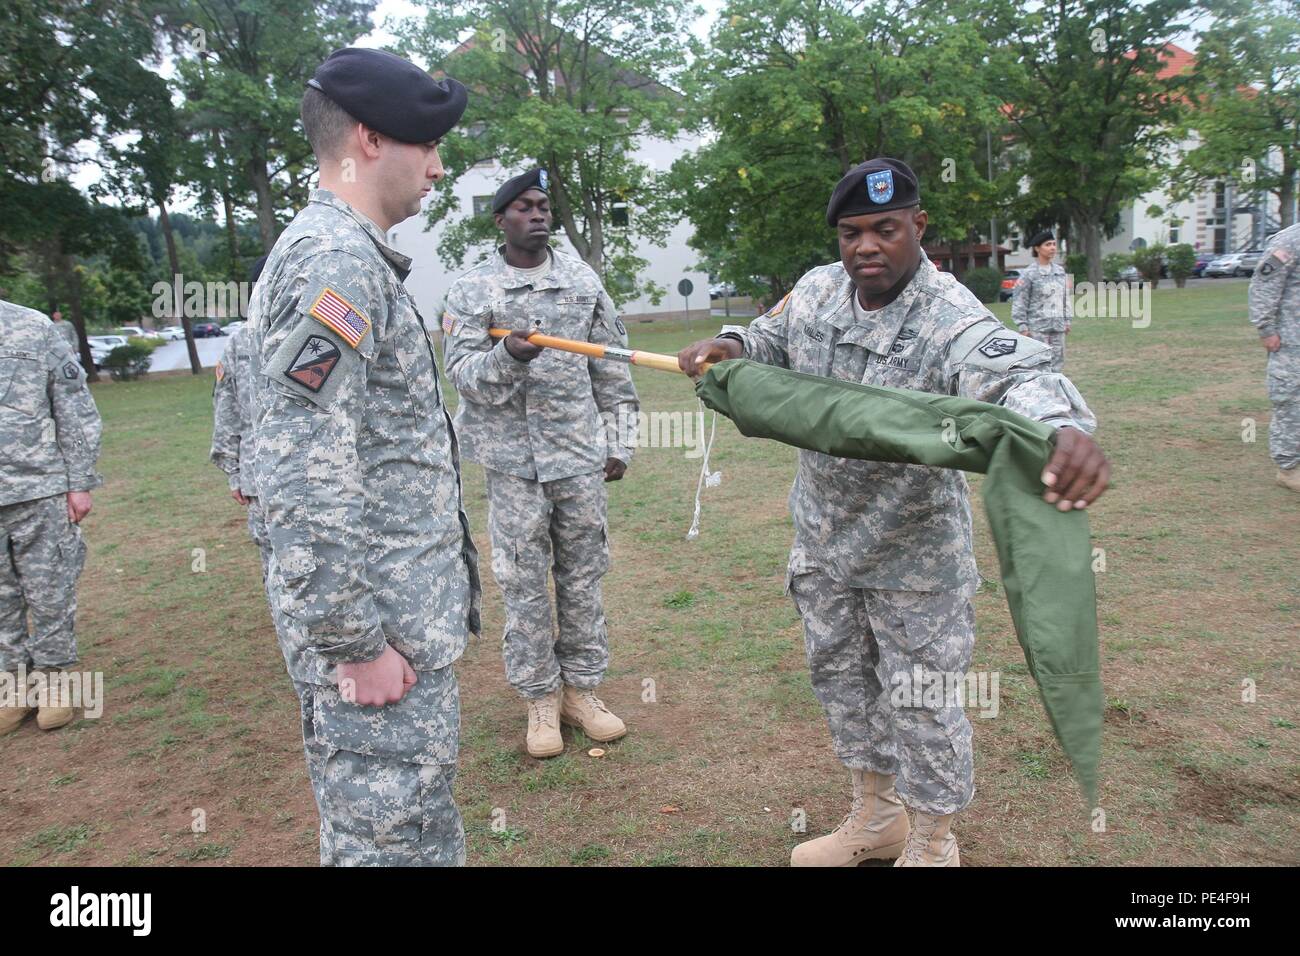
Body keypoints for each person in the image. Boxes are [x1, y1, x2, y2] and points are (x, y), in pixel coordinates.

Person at [678, 158, 1110, 867]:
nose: (866, 247)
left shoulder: (949, 313)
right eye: (851, 233)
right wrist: (732, 345)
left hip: (915, 557)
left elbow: (1017, 376)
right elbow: (767, 337)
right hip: (824, 543)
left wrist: (1060, 427)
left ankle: (934, 843)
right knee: (844, 685)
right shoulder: (818, 289)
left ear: (919, 225)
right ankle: (877, 818)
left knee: (923, 703)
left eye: (885, 229)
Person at [247, 47, 478, 866]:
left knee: (408, 829)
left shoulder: (344, 253)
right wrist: (355, 643)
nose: (438, 168)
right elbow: (298, 471)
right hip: (382, 637)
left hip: (396, 623)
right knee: (388, 841)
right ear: (371, 140)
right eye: (429, 144)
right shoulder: (337, 264)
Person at [442, 168, 639, 758]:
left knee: (583, 575)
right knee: (524, 581)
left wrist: (619, 441)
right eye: (524, 207)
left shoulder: (581, 281)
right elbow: (462, 376)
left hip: (578, 456)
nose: (537, 215)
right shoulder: (473, 290)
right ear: (500, 219)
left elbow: (611, 364)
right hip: (512, 464)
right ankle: (539, 698)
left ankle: (581, 690)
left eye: (543, 206)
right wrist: (508, 354)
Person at [0, 300, 102, 734]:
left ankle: (55, 685)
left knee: (50, 593)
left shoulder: (33, 327)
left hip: (39, 489)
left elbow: (74, 407)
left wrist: (79, 481)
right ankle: (12, 691)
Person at [210, 256, 270, 577]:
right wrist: (233, 472)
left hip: (317, 476)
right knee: (272, 564)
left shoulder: (313, 334)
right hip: (257, 476)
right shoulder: (239, 343)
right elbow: (226, 409)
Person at [1248, 223, 1300, 492]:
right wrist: (1266, 328)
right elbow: (1264, 284)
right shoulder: (1290, 241)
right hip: (1293, 341)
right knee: (1291, 402)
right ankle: (1288, 468)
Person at [1012, 230, 1071, 371]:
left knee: (1057, 365)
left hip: (1058, 327)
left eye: (1054, 244)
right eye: (1048, 244)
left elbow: (1065, 297)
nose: (1052, 248)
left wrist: (1067, 320)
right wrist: (1022, 326)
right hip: (1037, 328)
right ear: (1037, 248)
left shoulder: (1059, 271)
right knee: (1039, 366)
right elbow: (1020, 301)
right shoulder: (1029, 274)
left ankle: (1055, 386)